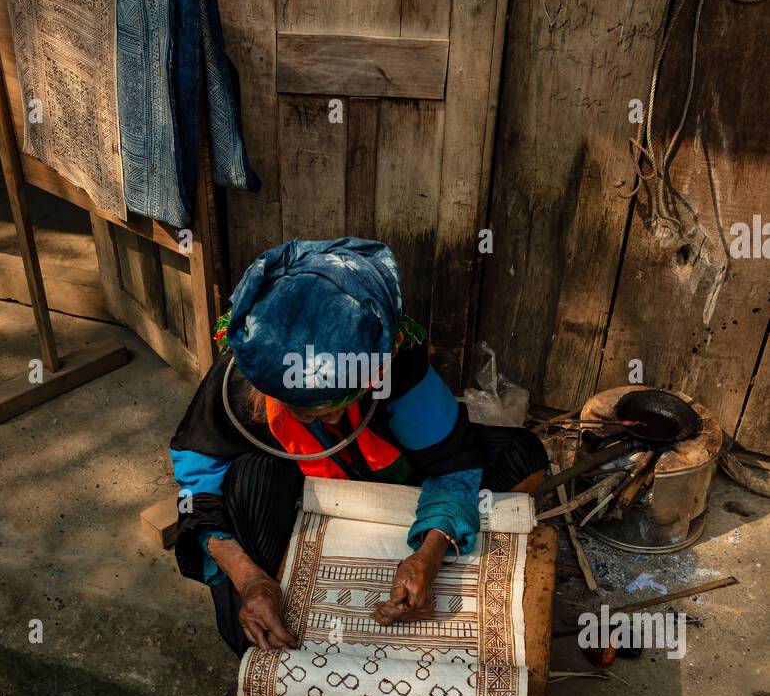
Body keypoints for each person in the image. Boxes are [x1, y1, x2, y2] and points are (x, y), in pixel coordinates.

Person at [170, 237, 546, 660]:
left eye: (340, 403)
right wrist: (249, 579)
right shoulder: (244, 377)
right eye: (309, 410)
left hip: (392, 475)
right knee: (245, 481)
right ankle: (262, 659)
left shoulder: (394, 359)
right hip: (299, 492)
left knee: (520, 453)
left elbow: (452, 459)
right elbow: (194, 490)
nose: (330, 420)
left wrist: (430, 551)